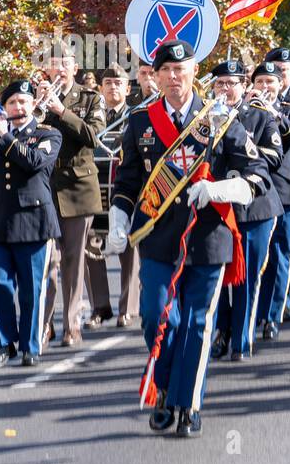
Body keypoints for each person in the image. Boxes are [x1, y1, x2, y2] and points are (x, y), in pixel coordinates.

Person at [106, 40, 271, 437]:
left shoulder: (220, 120)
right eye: (165, 71)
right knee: (156, 315)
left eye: (181, 70)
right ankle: (163, 387)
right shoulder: (140, 121)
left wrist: (221, 190)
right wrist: (117, 218)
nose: (174, 77)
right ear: (156, 76)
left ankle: (188, 402)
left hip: (207, 237)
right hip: (159, 238)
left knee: (197, 324)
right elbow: (128, 180)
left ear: (195, 73)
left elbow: (258, 173)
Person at [0, 79, 62, 369]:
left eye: (23, 101)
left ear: (33, 105)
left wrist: (7, 138)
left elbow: (35, 162)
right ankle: (5, 342)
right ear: (4, 107)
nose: (18, 107)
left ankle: (30, 345)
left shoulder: (47, 134)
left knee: (31, 288)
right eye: (12, 102)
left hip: (34, 220)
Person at [207, 59, 283, 361]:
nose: (226, 88)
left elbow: (273, 157)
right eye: (220, 83)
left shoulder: (260, 116)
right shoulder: (205, 115)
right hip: (217, 206)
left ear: (244, 86)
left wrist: (240, 141)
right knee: (217, 275)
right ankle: (221, 332)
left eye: (232, 83)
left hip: (255, 207)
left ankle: (242, 338)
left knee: (248, 276)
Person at [37, 43, 106, 347]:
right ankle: (44, 323)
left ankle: (71, 325)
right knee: (48, 262)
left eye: (64, 63)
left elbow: (93, 137)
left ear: (75, 68)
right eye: (54, 64)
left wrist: (61, 112)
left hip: (78, 187)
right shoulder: (38, 96)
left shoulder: (90, 99)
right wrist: (37, 105)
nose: (59, 69)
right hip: (46, 186)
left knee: (74, 261)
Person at [245, 60, 290, 341]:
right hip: (255, 192)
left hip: (285, 191)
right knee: (258, 256)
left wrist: (274, 114)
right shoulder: (243, 111)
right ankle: (253, 312)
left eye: (270, 82)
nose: (264, 87)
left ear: (280, 83)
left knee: (282, 255)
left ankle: (272, 315)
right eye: (259, 82)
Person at [86, 65, 142, 329]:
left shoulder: (137, 116)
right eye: (108, 83)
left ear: (128, 88)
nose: (113, 88)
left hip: (123, 189)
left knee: (128, 248)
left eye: (118, 83)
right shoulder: (91, 117)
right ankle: (100, 307)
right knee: (92, 248)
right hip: (95, 188)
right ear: (101, 88)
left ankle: (127, 308)